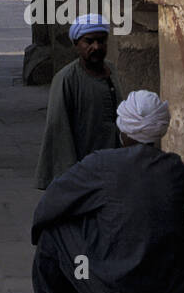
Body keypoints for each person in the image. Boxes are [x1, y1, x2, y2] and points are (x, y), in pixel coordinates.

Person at [31, 90, 184, 293]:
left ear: (123, 129)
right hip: (174, 291)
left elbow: (50, 204)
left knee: (53, 231)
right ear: (159, 130)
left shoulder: (101, 164)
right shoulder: (175, 167)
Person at [34, 14, 122, 189]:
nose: (96, 47)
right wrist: (71, 177)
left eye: (101, 41)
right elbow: (58, 129)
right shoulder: (66, 79)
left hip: (113, 164)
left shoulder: (111, 70)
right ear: (76, 44)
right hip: (84, 169)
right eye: (89, 42)